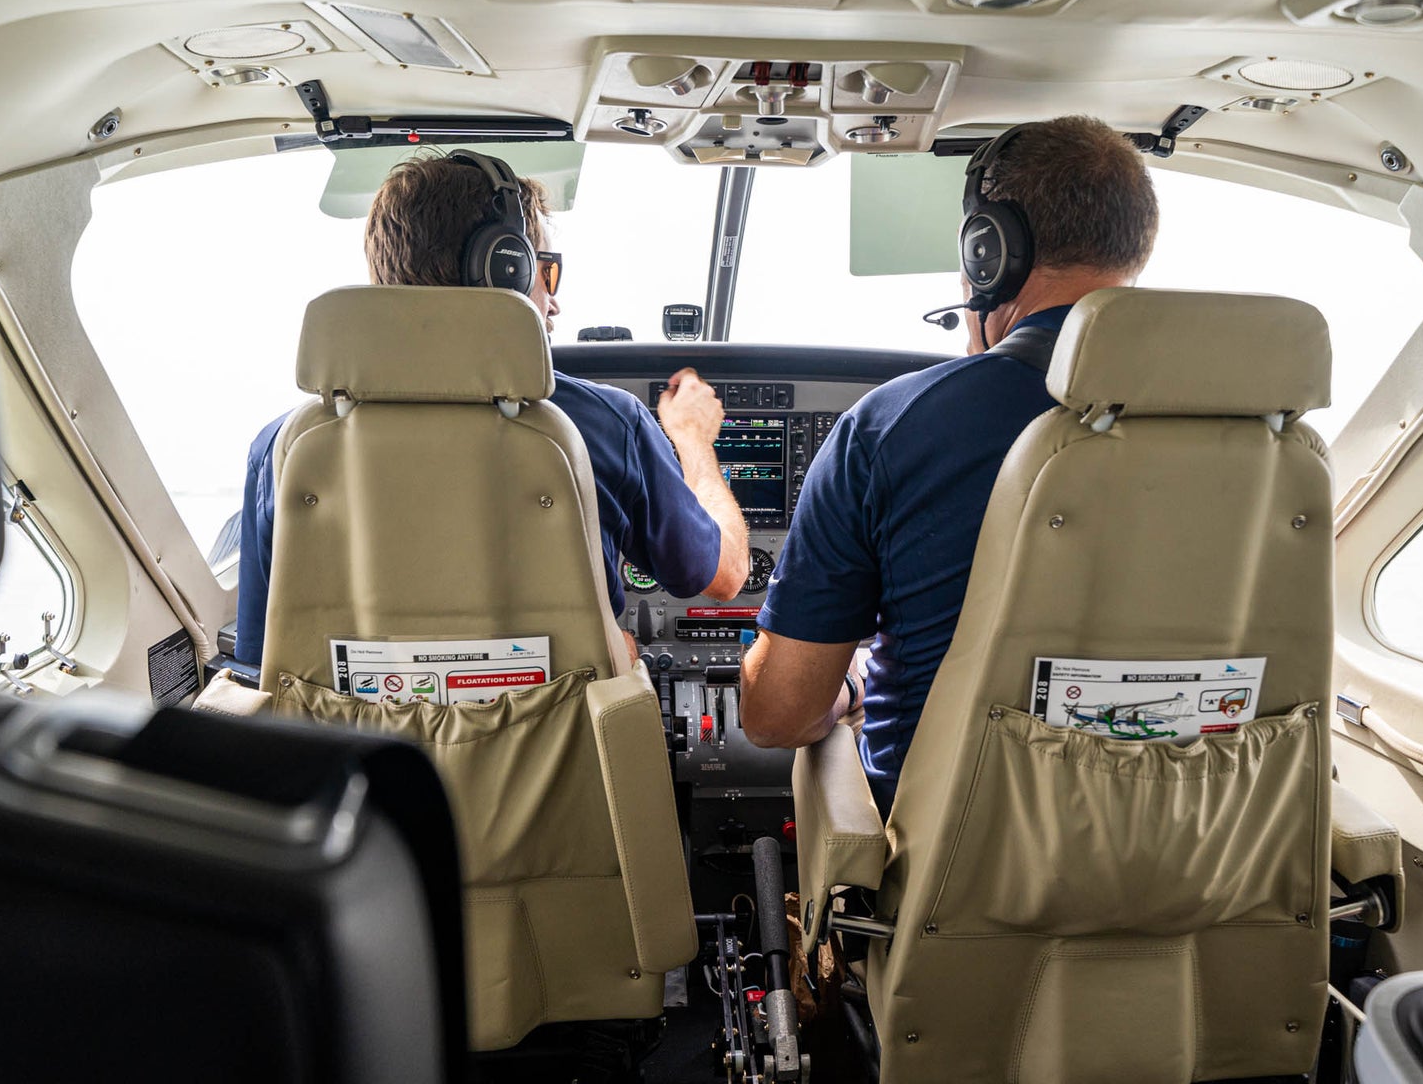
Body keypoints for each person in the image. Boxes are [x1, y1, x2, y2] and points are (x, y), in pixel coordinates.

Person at [738, 116, 1160, 811]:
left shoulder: (892, 426)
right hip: (1204, 866)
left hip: (958, 882)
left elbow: (777, 716)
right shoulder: (1271, 441)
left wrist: (849, 686)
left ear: (988, 252)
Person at [234, 151, 750, 672]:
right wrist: (693, 442)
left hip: (361, 752)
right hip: (555, 751)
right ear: (506, 267)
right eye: (546, 273)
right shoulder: (604, 424)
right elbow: (724, 576)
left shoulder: (284, 449)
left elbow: (264, 666)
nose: (554, 305)